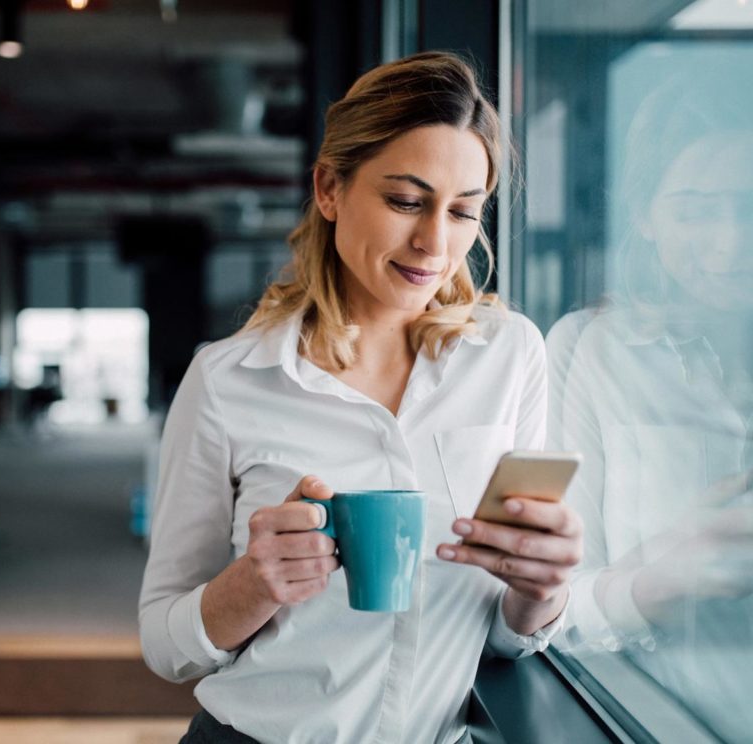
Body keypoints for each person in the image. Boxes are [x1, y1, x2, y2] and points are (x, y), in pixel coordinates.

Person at [139, 51, 583, 744]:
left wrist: (542, 589)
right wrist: (253, 585)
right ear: (329, 190)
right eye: (406, 201)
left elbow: (501, 631)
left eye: (464, 212)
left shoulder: (510, 355)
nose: (436, 244)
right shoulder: (229, 381)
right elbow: (166, 644)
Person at [548, 65, 753, 742]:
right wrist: (661, 579)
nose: (732, 244)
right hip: (646, 721)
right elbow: (547, 609)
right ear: (644, 212)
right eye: (695, 209)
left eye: (751, 204)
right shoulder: (587, 353)